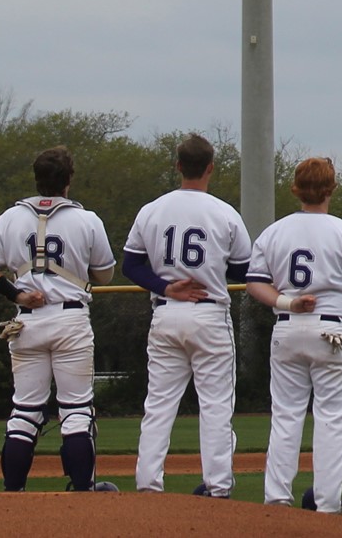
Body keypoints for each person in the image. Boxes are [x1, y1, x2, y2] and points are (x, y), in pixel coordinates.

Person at [0, 146, 119, 492]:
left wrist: (18, 294)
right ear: (69, 180)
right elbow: (106, 275)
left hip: (27, 322)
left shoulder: (10, 218)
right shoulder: (86, 219)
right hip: (70, 320)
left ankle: (13, 491)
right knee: (77, 409)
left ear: (37, 179)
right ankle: (82, 488)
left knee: (24, 412)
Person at [122, 133, 252, 497]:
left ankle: (148, 484)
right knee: (215, 406)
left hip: (166, 313)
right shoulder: (224, 212)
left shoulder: (152, 209)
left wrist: (165, 286)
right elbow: (244, 271)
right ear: (210, 167)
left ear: (178, 165)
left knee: (159, 404)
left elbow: (130, 265)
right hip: (209, 314)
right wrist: (213, 269)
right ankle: (218, 486)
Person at [246, 157, 342, 513]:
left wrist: (287, 300)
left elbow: (255, 282)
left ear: (295, 189)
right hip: (330, 328)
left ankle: (275, 500)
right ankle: (328, 506)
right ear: (331, 188)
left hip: (287, 325)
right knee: (331, 420)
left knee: (285, 415)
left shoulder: (275, 231)